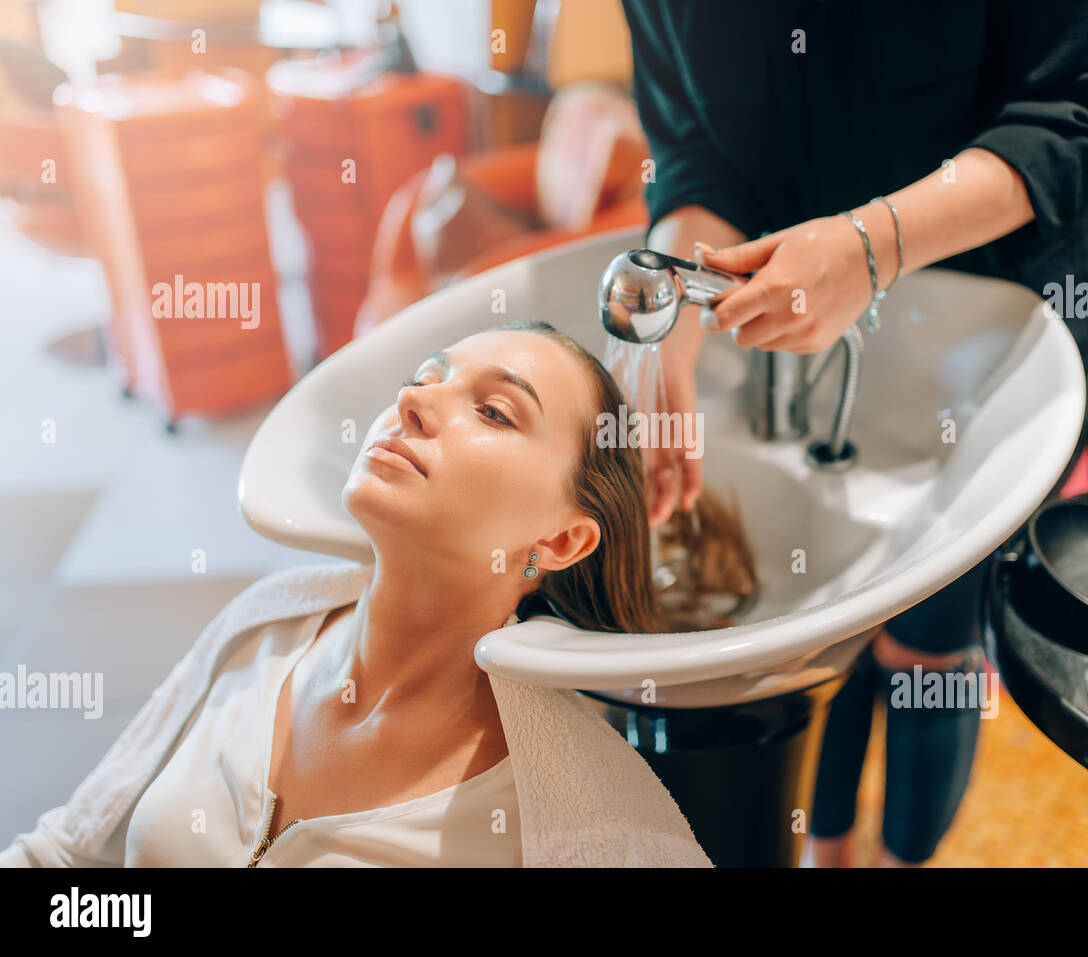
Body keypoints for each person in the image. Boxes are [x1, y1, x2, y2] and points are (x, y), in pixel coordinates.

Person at [619, 0, 1088, 865]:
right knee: (816, 647)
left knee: (925, 652)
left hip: (983, 350)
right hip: (786, 357)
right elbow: (693, 154)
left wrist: (872, 247)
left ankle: (907, 856)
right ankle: (827, 848)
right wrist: (671, 300)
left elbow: (1070, 112)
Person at [1, 321, 712, 867]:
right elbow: (68, 854)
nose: (414, 400)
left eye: (494, 411)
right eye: (425, 377)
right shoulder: (269, 621)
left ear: (561, 542)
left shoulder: (583, 815)